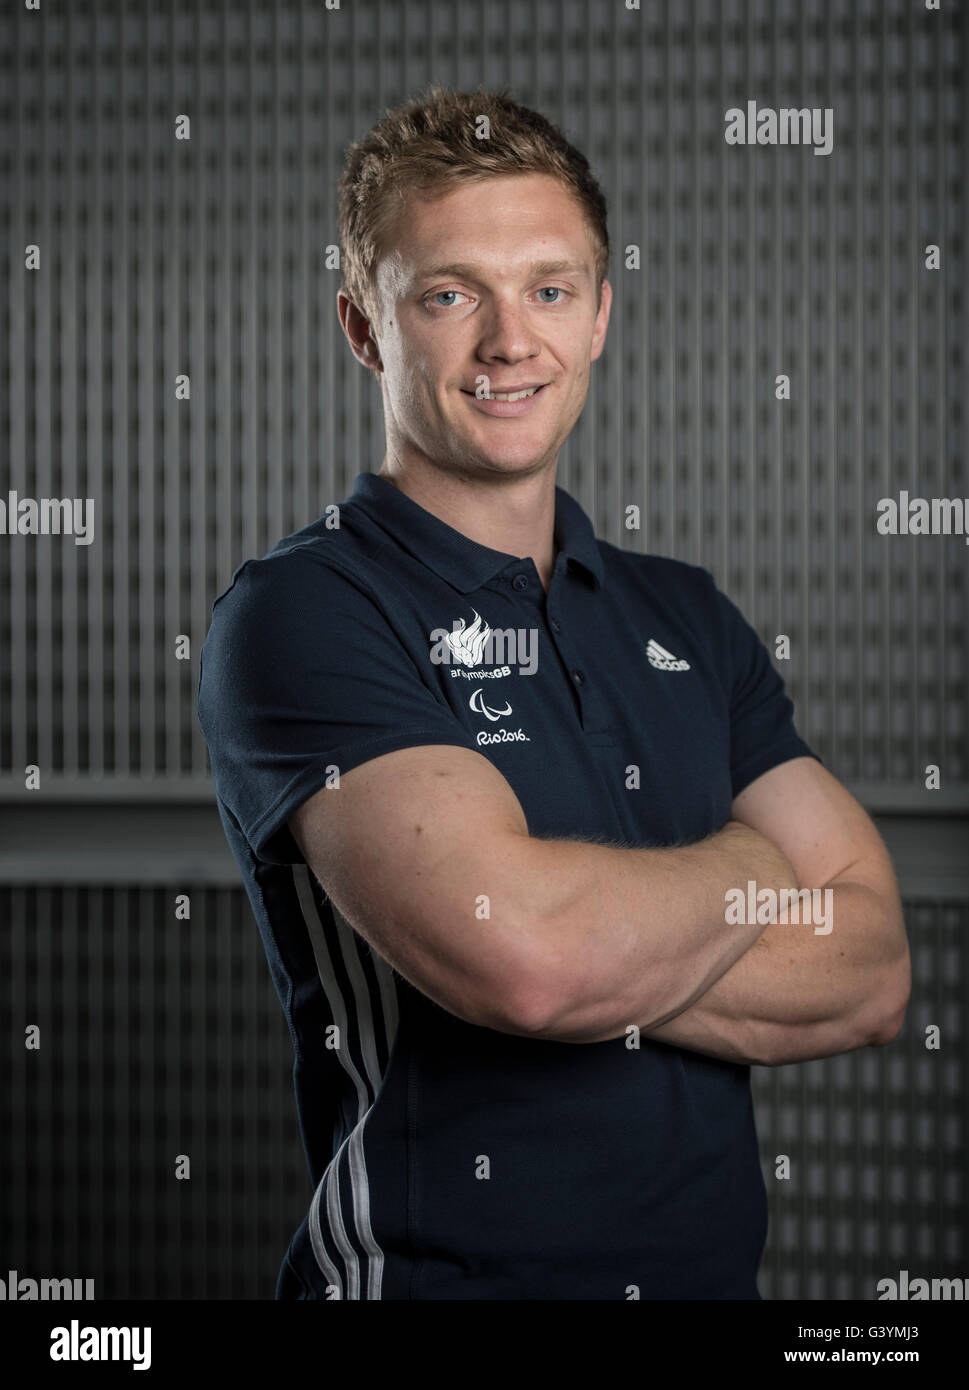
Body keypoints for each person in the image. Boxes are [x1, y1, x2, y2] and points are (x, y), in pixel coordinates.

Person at [197, 84, 910, 1300]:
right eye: (448, 292)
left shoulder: (688, 614)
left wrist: (598, 942)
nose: (507, 340)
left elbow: (875, 966)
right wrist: (752, 873)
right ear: (366, 328)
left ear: (599, 318)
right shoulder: (305, 611)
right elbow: (523, 960)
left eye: (548, 288)